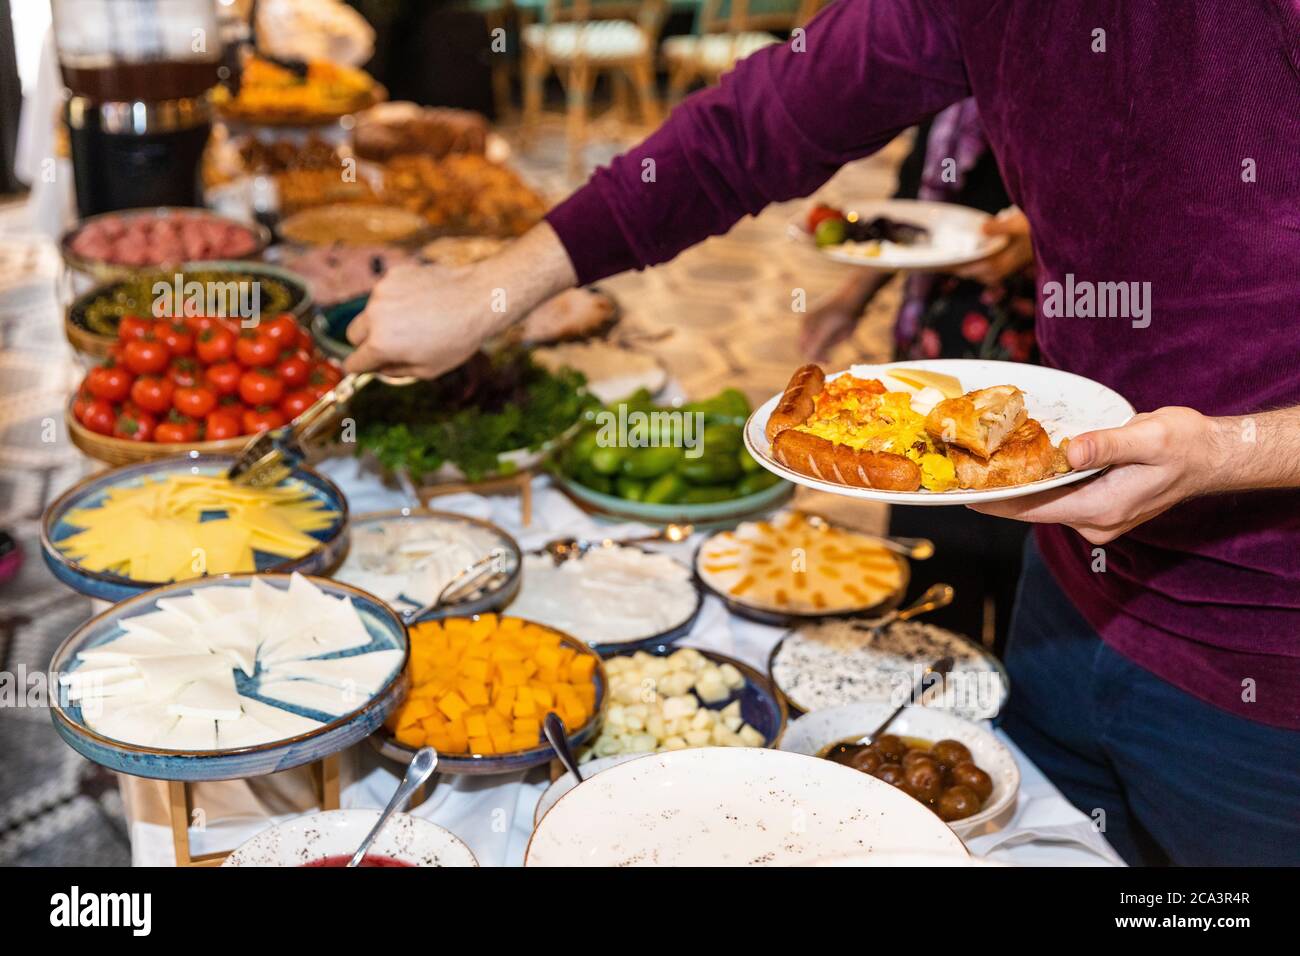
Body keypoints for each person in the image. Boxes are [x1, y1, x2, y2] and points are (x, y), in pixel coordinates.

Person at [346, 0, 1300, 865]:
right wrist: (489, 290)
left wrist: (1230, 452)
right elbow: (751, 128)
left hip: (1269, 674)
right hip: (1067, 589)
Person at [801, 99, 1037, 648]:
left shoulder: (1092, 75)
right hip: (933, 344)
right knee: (929, 539)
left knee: (1018, 546)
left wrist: (1043, 237)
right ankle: (926, 701)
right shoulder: (955, 75)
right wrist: (850, 299)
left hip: (1036, 351)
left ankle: (1003, 703)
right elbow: (911, 218)